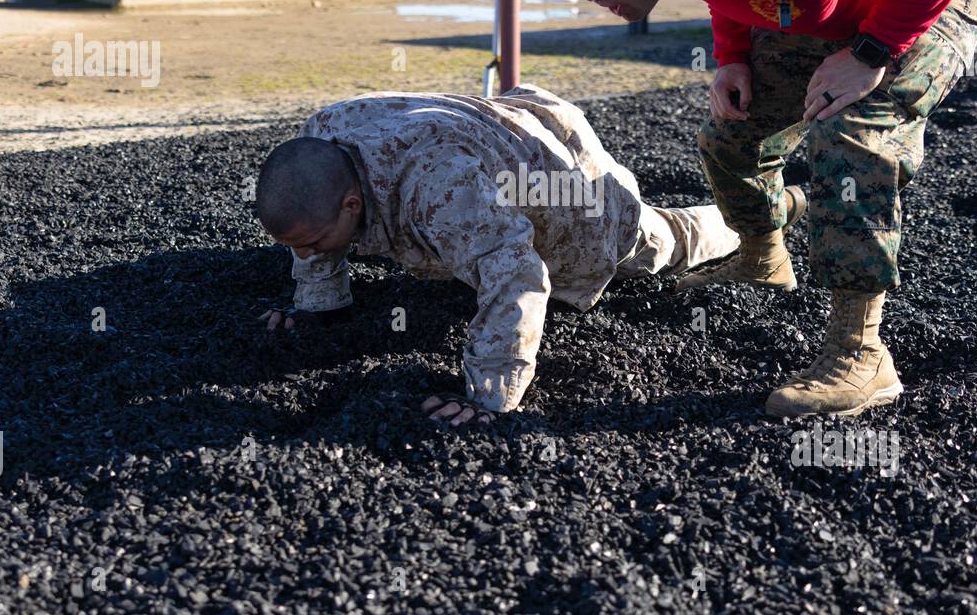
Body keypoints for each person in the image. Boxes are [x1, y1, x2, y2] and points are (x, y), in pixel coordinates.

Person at [562, 0, 977, 419]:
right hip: (828, 7)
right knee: (731, 134)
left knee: (852, 135)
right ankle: (764, 257)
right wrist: (733, 58)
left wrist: (872, 51)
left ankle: (861, 354)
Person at [254, 85, 744, 425]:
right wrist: (318, 303)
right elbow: (309, 215)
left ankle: (754, 219)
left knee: (665, 240)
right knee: (468, 235)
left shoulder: (440, 191)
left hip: (574, 193)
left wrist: (489, 394)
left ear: (352, 205)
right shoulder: (318, 137)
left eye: (315, 244)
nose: (307, 252)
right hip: (505, 133)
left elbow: (518, 274)